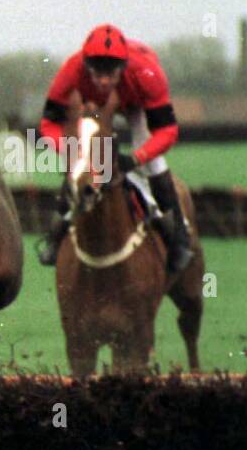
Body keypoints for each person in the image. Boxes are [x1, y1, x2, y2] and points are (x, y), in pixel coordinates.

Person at [35, 24, 193, 273]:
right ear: (86, 67)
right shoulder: (71, 69)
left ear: (124, 67)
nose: (104, 81)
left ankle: (179, 240)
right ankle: (56, 234)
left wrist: (136, 158)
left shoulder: (146, 73)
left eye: (111, 74)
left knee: (153, 163)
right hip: (94, 110)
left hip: (137, 105)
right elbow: (48, 124)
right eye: (97, 74)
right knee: (80, 166)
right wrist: (71, 153)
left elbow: (167, 131)